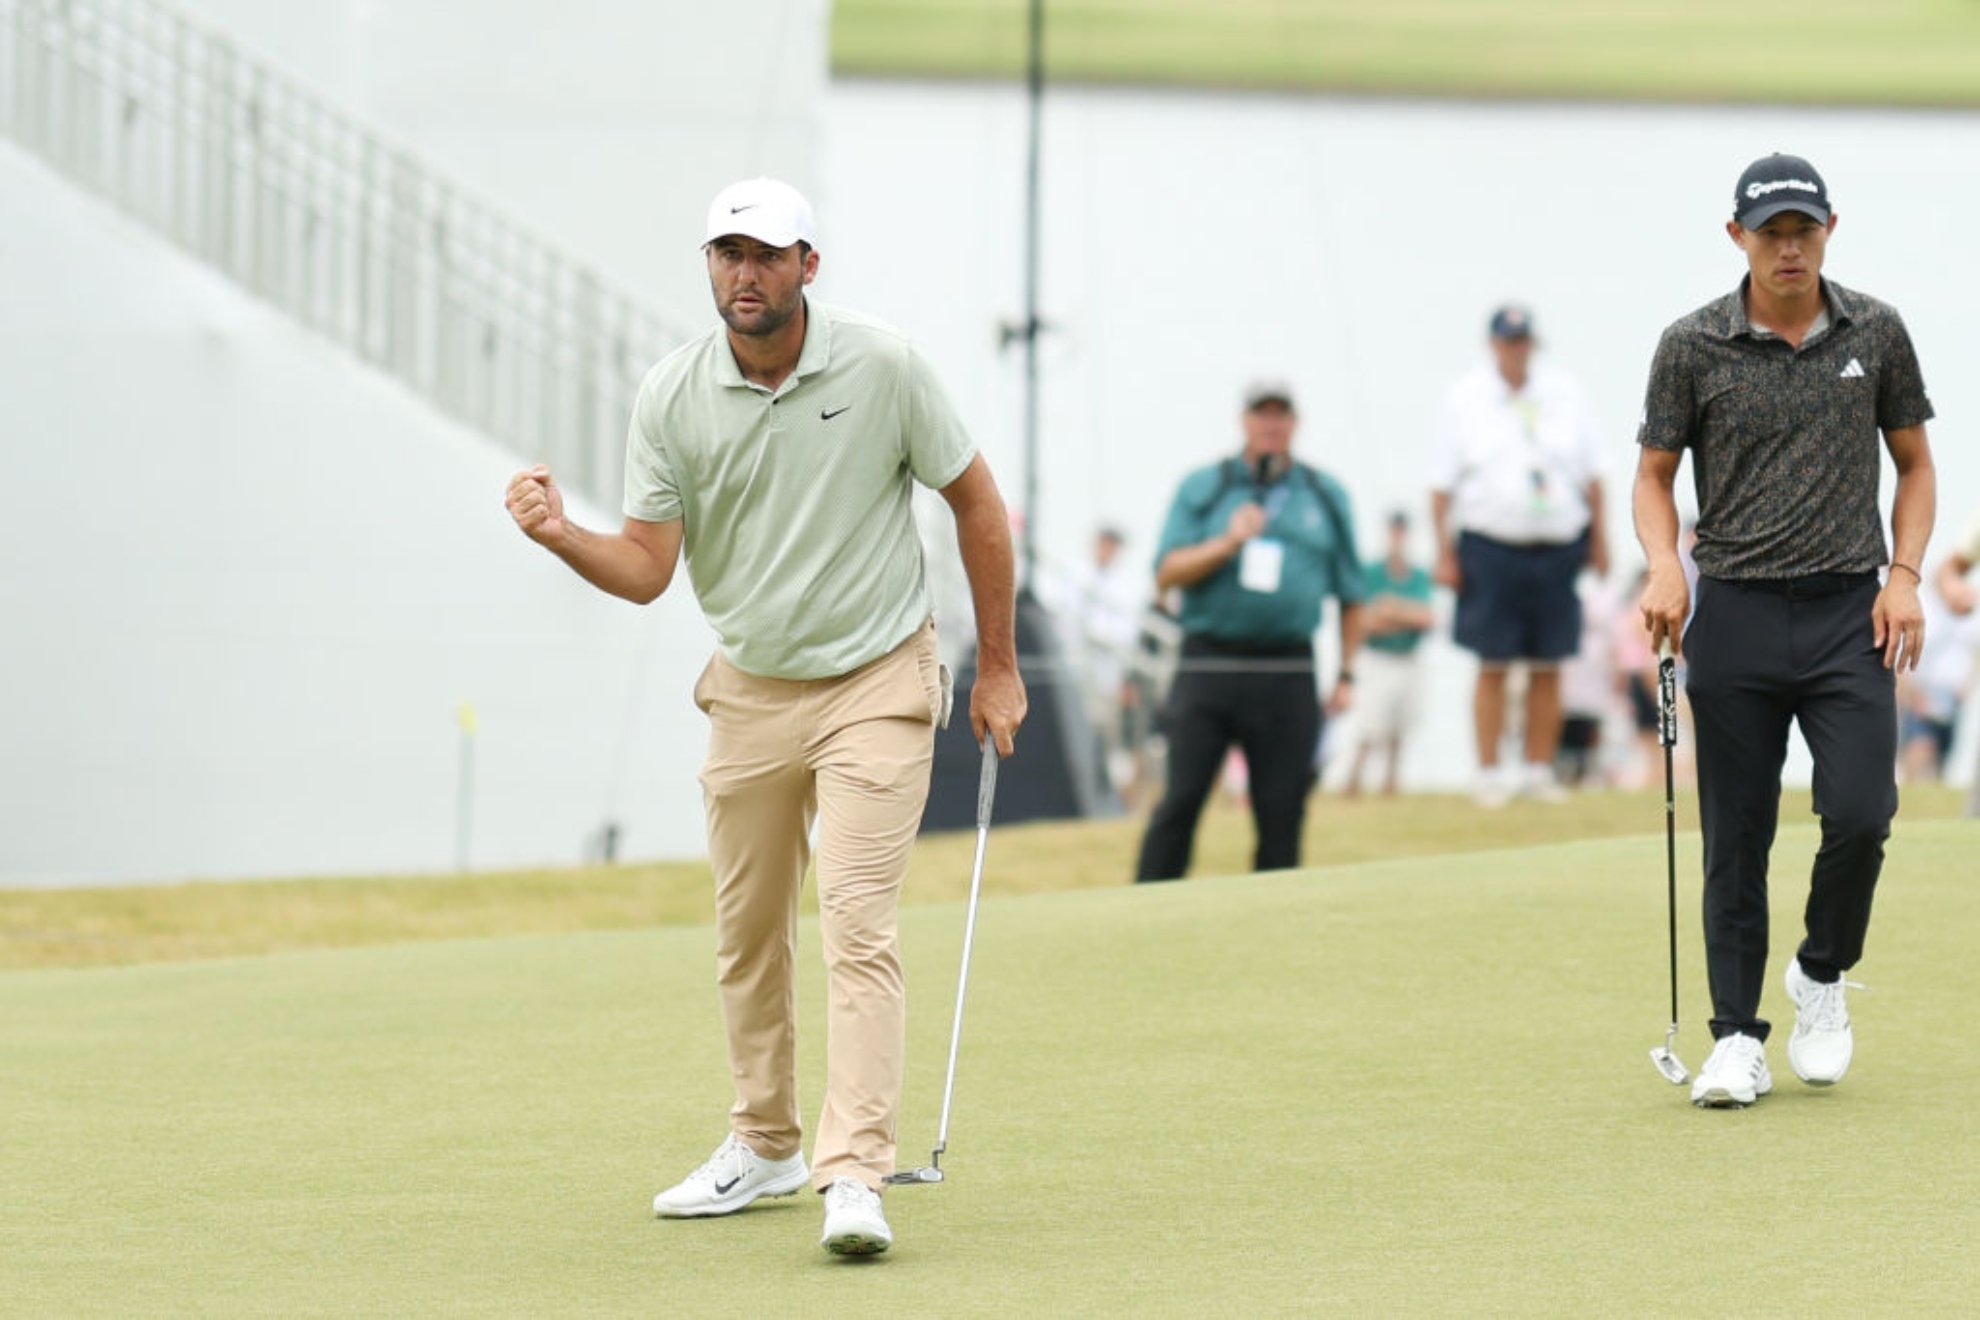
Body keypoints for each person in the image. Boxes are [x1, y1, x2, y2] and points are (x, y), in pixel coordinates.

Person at [504, 177, 1026, 1254]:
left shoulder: (883, 365)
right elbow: (649, 568)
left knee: (857, 923)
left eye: (768, 254)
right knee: (747, 934)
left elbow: (975, 501)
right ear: (709, 264)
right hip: (748, 686)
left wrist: (998, 668)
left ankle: (855, 1173)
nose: (746, 273)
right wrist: (563, 534)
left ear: (808, 267)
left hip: (877, 678)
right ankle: (767, 1142)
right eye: (727, 253)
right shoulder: (673, 394)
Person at [1633, 152, 1936, 1109]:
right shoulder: (1692, 345)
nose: (1789, 247)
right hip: (1737, 614)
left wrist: (1904, 576)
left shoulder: (1876, 332)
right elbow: (1653, 476)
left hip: (1853, 612)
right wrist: (1662, 564)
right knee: (1739, 834)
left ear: (1830, 229)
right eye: (1771, 232)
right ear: (1739, 238)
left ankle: (1820, 972)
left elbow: (1915, 466)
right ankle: (1734, 1037)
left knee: (1860, 815)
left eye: (1804, 229)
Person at [1133, 380, 1364, 881]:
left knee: (1283, 808)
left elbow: (1352, 593)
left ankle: (1275, 922)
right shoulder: (1205, 486)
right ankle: (1145, 908)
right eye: (1263, 414)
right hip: (1208, 662)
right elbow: (1167, 571)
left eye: (1282, 415)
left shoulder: (1324, 494)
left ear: (1294, 424)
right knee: (1183, 798)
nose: (1272, 425)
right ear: (1246, 421)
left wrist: (1347, 673)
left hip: (1288, 667)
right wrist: (1227, 543)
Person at [1429, 304, 1610, 807]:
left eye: (1524, 340)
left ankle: (1536, 768)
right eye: (1509, 342)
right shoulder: (1464, 397)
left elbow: (1594, 471)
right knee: (1493, 661)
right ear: (1494, 345)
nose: (1517, 350)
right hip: (1490, 544)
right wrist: (1444, 552)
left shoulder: (1564, 392)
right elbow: (1441, 484)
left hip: (1557, 543)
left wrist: (1601, 539)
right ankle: (1488, 771)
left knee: (1550, 662)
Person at [1343, 511, 1434, 797]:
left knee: (1400, 725)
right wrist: (1404, 615)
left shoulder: (1418, 574)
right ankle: (1352, 781)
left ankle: (1391, 783)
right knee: (1370, 724)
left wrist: (1392, 609)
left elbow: (1428, 618)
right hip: (1377, 659)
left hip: (1408, 658)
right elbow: (1364, 621)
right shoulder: (1371, 572)